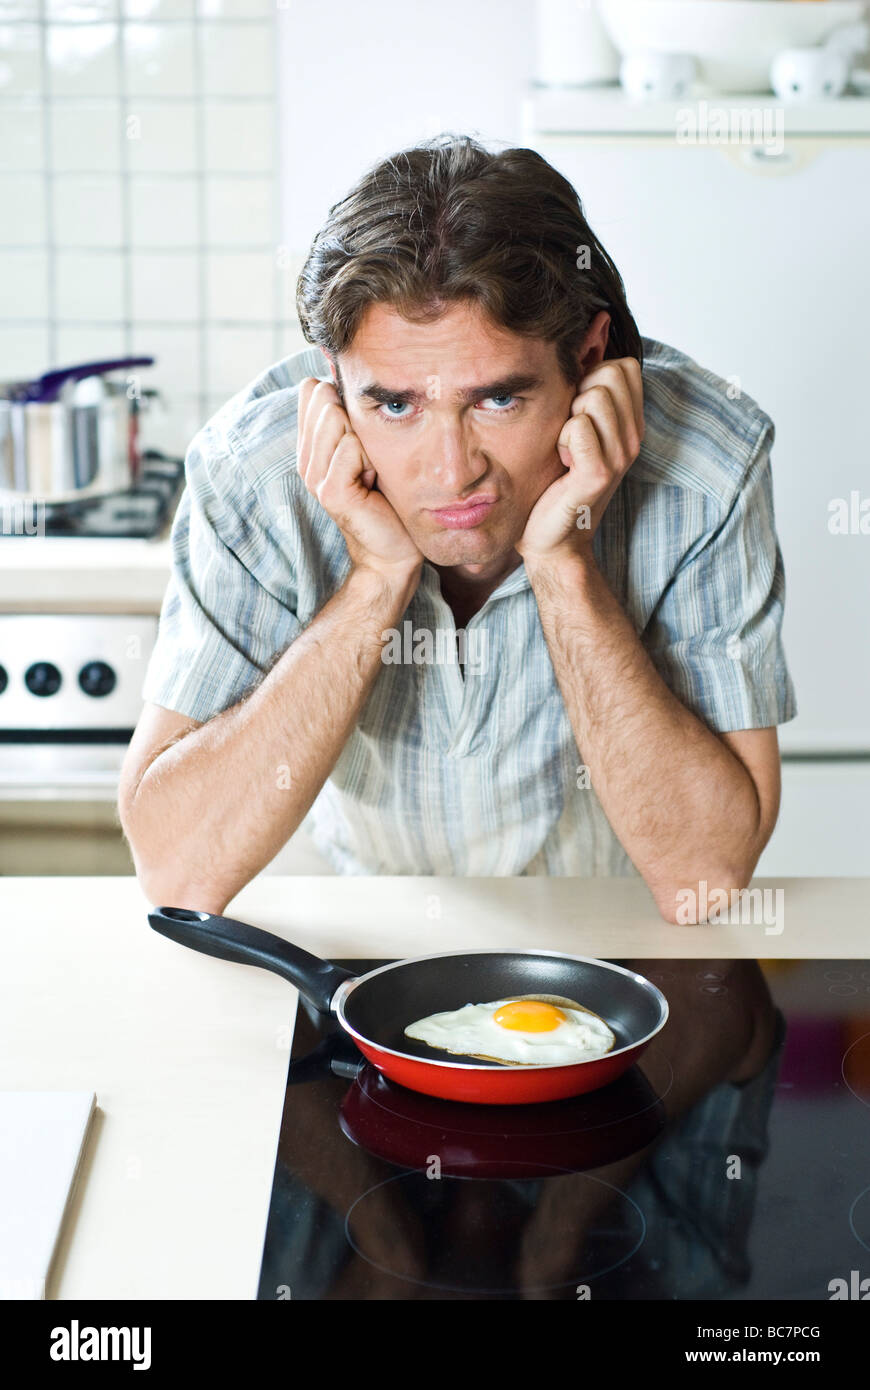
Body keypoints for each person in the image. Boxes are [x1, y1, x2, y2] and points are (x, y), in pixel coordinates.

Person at [119, 134, 796, 918]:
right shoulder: (253, 479)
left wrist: (564, 566)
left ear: (589, 354)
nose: (451, 471)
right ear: (334, 380)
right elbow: (175, 873)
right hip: (369, 927)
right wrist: (374, 581)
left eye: (497, 399)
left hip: (618, 933)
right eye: (395, 405)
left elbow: (701, 881)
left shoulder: (707, 468)